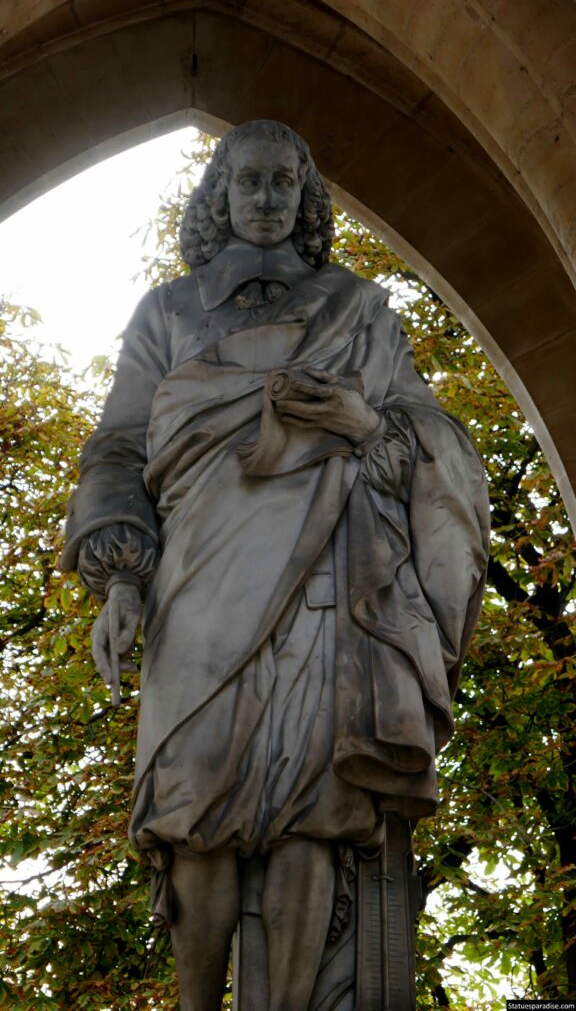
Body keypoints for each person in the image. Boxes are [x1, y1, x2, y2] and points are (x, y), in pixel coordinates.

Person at [62, 120, 490, 1011]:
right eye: (247, 182)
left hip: (327, 581)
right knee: (192, 813)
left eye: (281, 184)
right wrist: (123, 576)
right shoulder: (168, 314)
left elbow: (427, 434)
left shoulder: (359, 311)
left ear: (305, 199)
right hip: (194, 590)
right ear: (219, 196)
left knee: (310, 811)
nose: (263, 199)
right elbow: (116, 450)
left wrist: (365, 422)